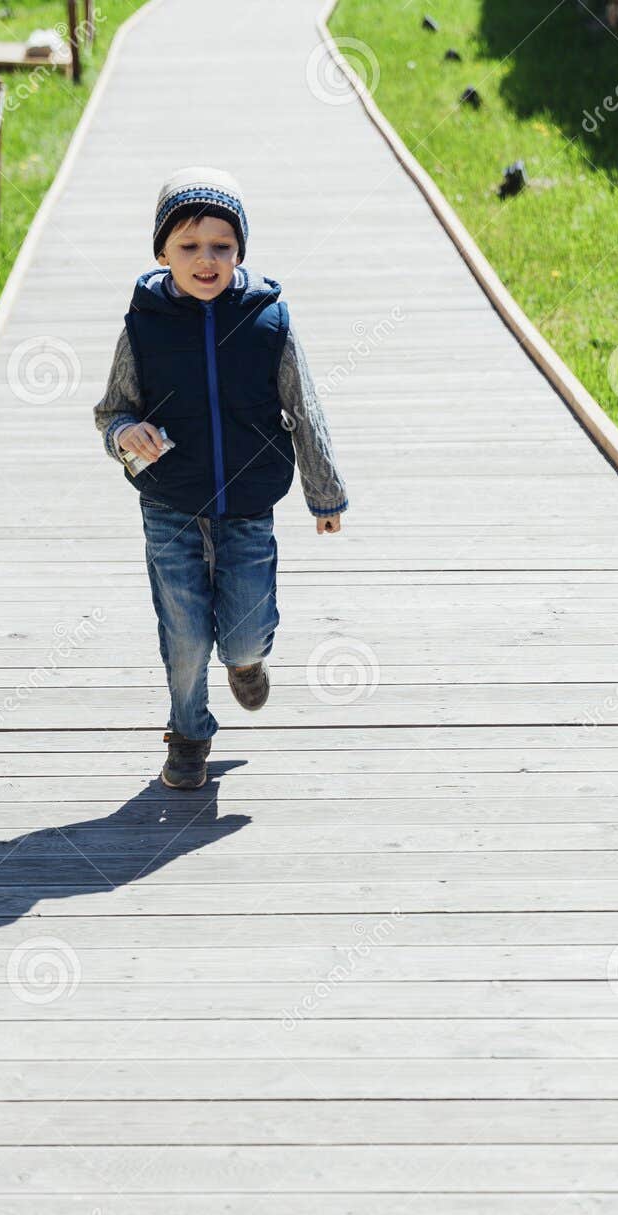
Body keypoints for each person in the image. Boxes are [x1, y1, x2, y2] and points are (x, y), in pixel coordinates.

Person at [93, 166, 348, 789]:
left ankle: (247, 661)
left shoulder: (269, 322)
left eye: (221, 247)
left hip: (247, 503)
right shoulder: (143, 324)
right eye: (188, 247)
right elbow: (113, 409)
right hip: (169, 503)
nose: (206, 260)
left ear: (240, 250)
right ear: (161, 252)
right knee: (182, 635)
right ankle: (188, 733)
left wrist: (324, 490)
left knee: (243, 629)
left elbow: (304, 406)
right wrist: (124, 434)